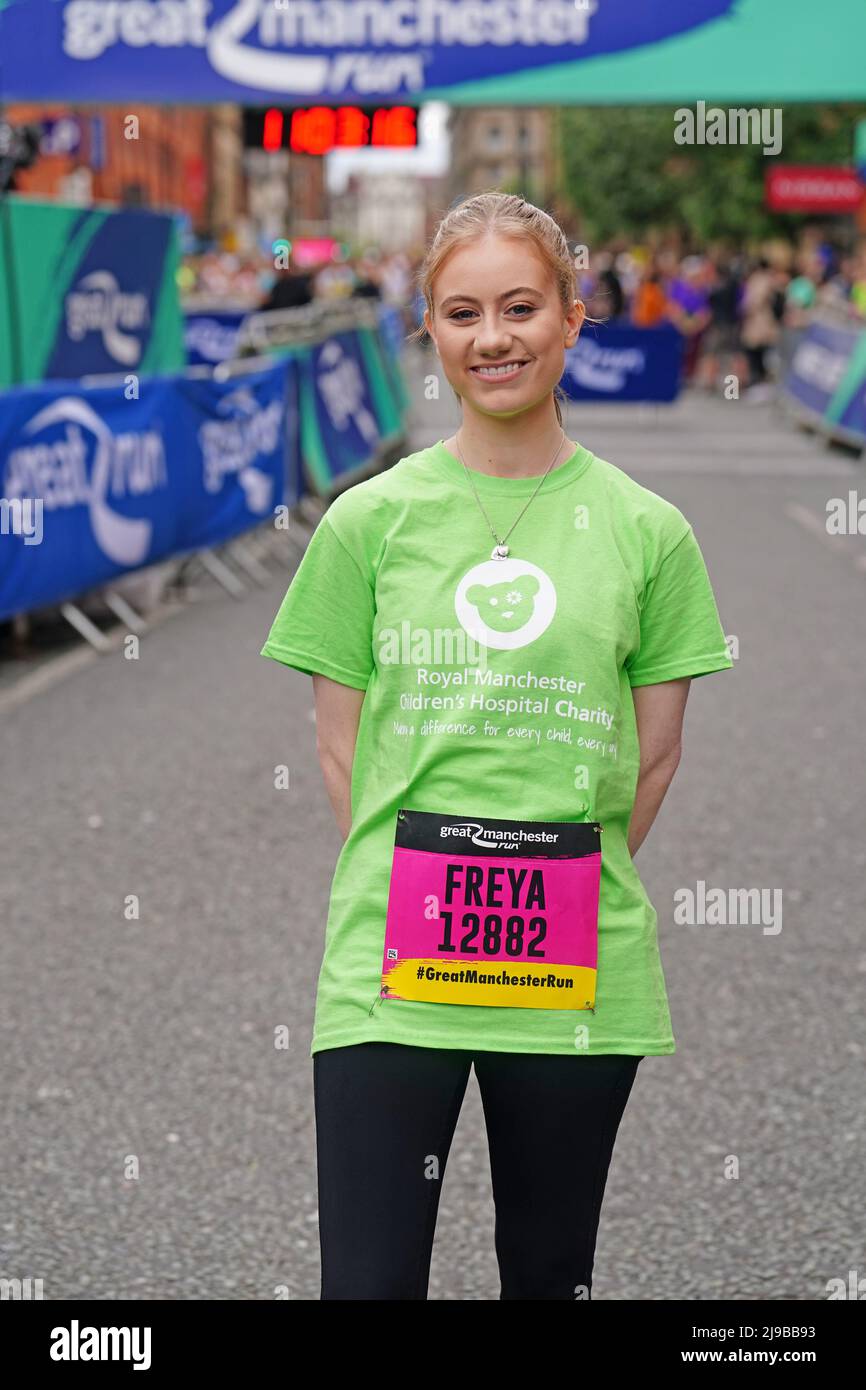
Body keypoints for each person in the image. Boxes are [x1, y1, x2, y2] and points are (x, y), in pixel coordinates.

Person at [261, 192, 734, 1301]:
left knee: (547, 1272)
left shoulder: (646, 530)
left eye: (520, 307)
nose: (492, 337)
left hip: (573, 970)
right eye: (461, 312)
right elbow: (342, 754)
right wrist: (421, 872)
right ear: (427, 327)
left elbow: (650, 760)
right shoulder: (366, 522)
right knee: (367, 1286)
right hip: (391, 965)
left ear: (572, 317)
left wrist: (546, 877)